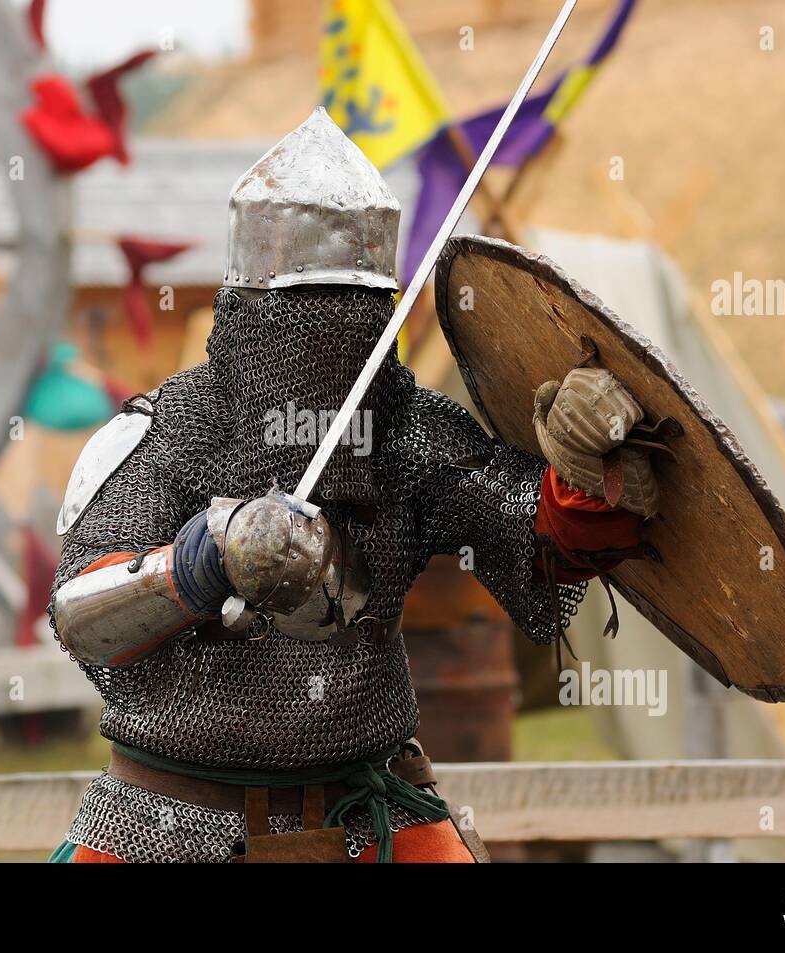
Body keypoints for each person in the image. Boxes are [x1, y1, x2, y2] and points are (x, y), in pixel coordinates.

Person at [47, 108, 658, 863]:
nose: (326, 346)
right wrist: (204, 560)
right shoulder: (171, 433)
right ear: (249, 313)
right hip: (168, 818)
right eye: (302, 318)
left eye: (352, 321)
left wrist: (587, 473)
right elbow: (80, 612)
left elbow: (541, 543)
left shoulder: (409, 431)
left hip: (369, 807)